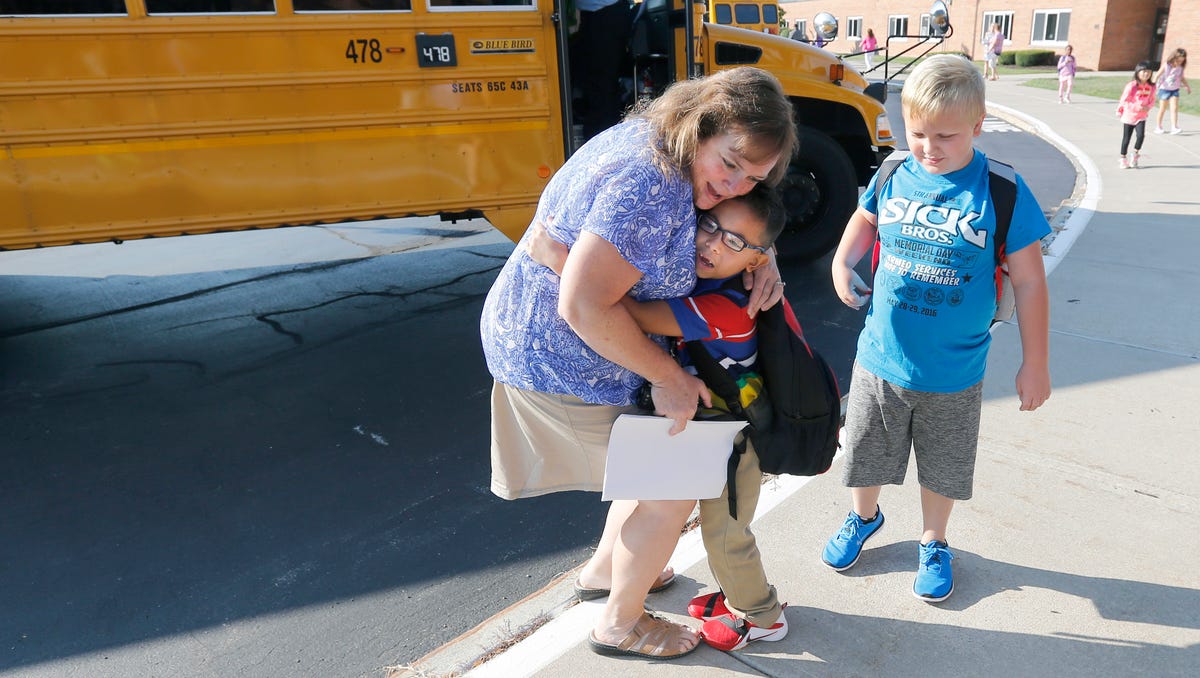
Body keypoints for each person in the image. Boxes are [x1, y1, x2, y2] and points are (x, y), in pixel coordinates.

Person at [480, 66, 797, 660]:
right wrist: (668, 375)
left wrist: (764, 252)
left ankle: (609, 573)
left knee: (651, 458)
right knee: (671, 484)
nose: (733, 185)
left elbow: (745, 212)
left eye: (752, 176)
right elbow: (581, 303)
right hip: (564, 358)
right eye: (729, 164)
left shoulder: (663, 141)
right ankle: (620, 624)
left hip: (577, 346)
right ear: (700, 126)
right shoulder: (649, 185)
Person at [822, 54, 1051, 603]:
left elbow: (1030, 282)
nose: (929, 147)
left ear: (978, 125)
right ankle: (864, 517)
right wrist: (840, 262)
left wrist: (1035, 362)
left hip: (955, 366)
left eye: (946, 135)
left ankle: (933, 540)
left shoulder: (1002, 190)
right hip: (880, 354)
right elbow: (865, 218)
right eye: (919, 132)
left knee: (942, 466)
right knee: (864, 453)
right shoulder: (894, 171)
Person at [529, 186, 792, 652]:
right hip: (701, 422)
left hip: (731, 441)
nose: (711, 243)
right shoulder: (709, 282)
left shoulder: (726, 306)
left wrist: (563, 262)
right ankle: (607, 574)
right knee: (647, 492)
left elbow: (625, 310)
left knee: (726, 532)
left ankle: (761, 615)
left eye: (734, 242)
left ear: (756, 261)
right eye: (709, 226)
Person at [571, 0, 634, 140]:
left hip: (605, 14)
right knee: (596, 80)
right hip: (598, 14)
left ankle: (602, 138)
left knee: (601, 83)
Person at [1117, 62, 1157, 169]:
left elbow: (1152, 100)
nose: (1146, 74)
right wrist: (1123, 109)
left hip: (1141, 116)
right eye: (1144, 71)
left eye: (1149, 72)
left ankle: (1135, 154)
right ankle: (1123, 158)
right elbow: (1124, 100)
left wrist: (1148, 107)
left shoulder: (1152, 86)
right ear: (1138, 72)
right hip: (1129, 115)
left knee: (1140, 136)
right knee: (1126, 138)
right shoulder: (1132, 86)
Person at [1153, 48, 1191, 134]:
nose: (1179, 62)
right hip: (1164, 90)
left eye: (1182, 61)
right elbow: (1157, 75)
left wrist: (1187, 86)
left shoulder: (1180, 68)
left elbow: (1182, 78)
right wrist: (1152, 87)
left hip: (1175, 90)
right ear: (1174, 57)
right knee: (1162, 109)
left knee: (1174, 109)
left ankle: (1174, 127)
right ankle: (1158, 126)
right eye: (1178, 60)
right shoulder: (1167, 65)